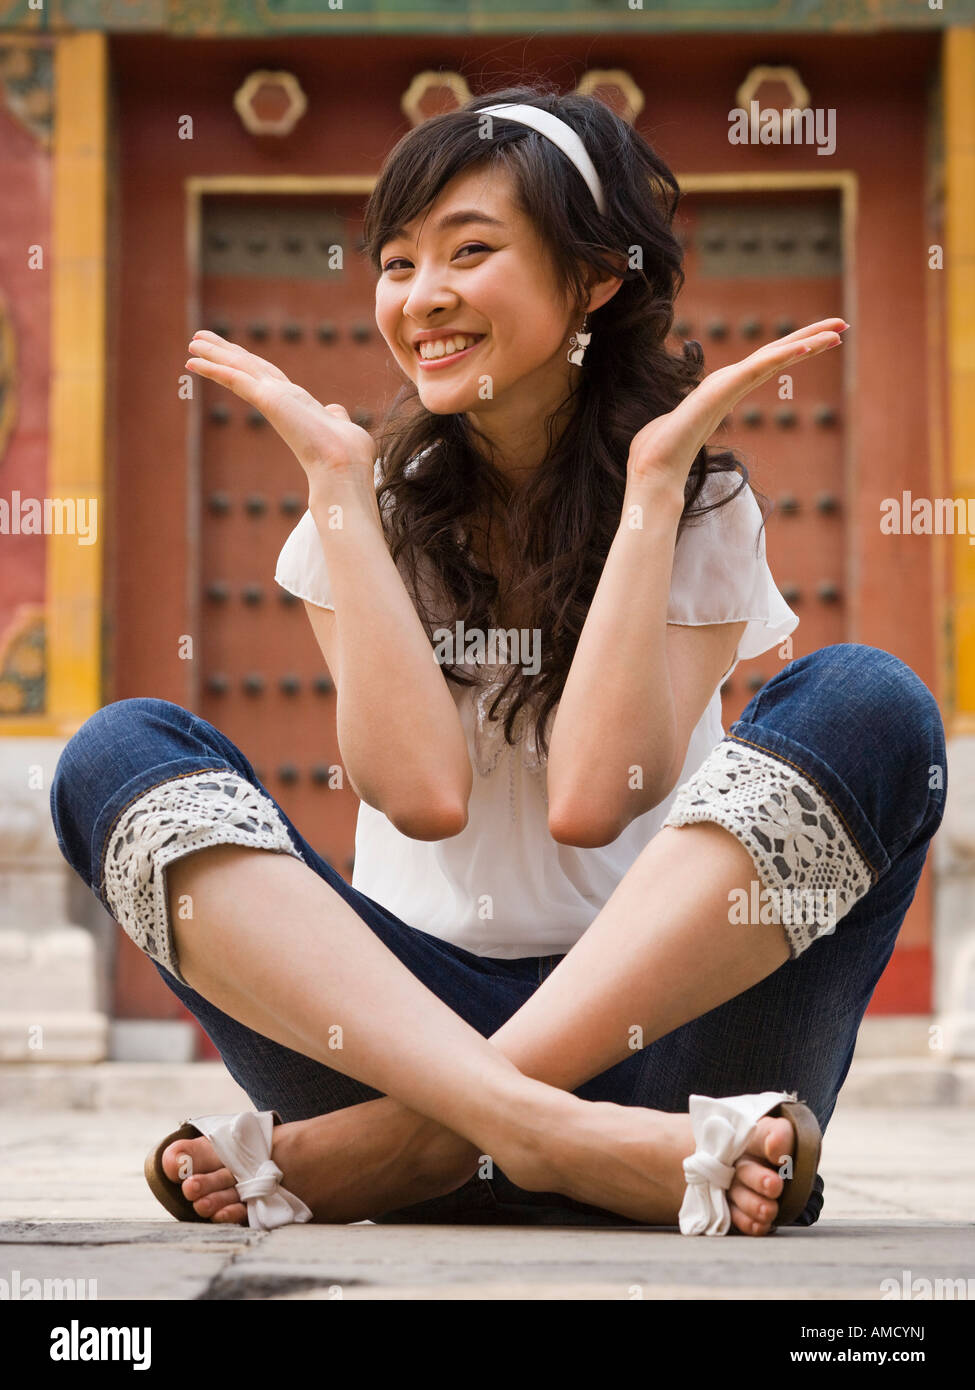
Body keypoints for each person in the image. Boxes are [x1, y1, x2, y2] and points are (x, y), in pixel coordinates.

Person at [49, 86, 946, 1237]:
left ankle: (415, 1152)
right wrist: (337, 488)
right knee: (116, 755)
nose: (423, 297)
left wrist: (652, 499)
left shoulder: (697, 499)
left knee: (871, 701)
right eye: (397, 261)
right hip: (410, 1046)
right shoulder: (365, 502)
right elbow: (417, 794)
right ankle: (558, 1145)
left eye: (470, 252)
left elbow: (592, 797)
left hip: (670, 1041)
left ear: (594, 279)